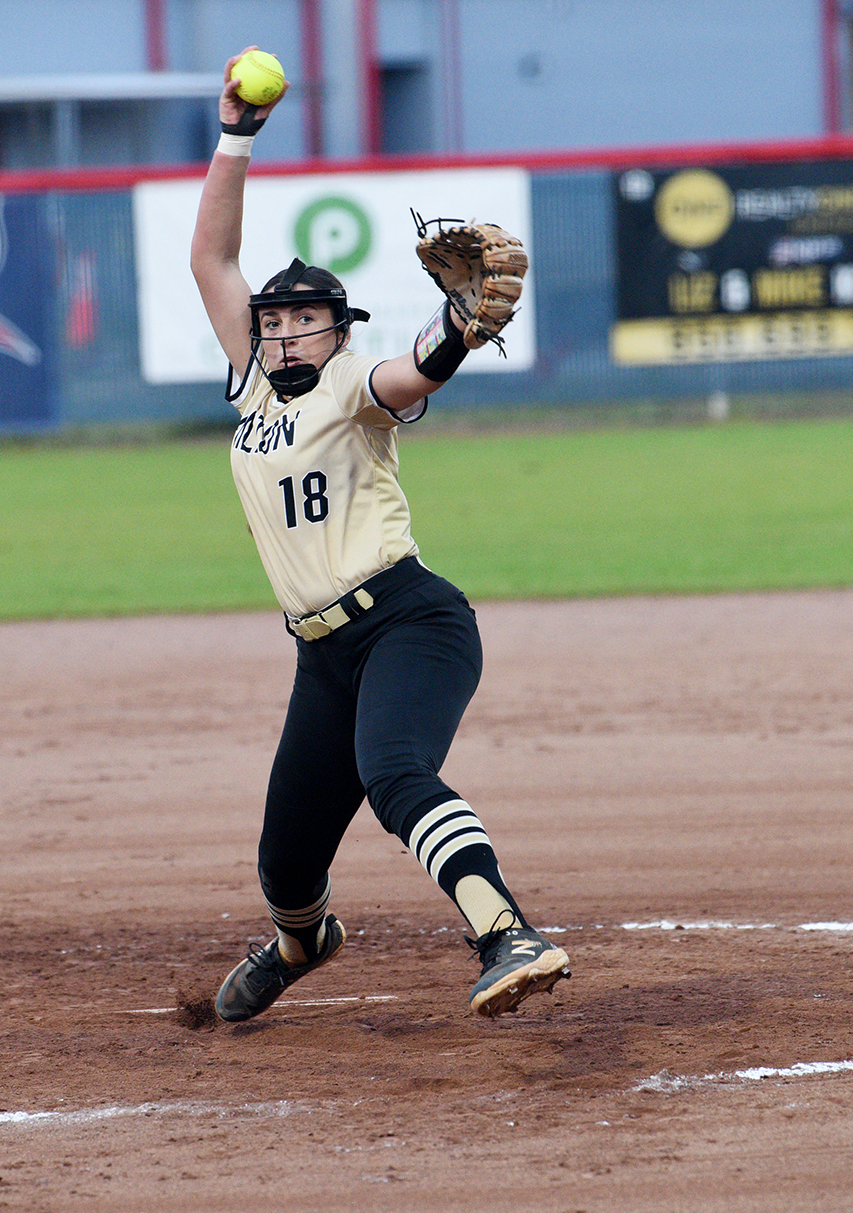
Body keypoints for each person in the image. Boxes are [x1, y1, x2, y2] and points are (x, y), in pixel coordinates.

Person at [190, 46, 571, 1020]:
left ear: (338, 330)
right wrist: (236, 133)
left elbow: (417, 373)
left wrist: (454, 329)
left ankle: (506, 932)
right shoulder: (250, 388)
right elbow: (212, 259)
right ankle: (301, 941)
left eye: (304, 319)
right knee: (283, 863)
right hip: (320, 656)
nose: (283, 333)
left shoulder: (354, 384)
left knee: (395, 772)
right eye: (273, 321)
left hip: (408, 621)